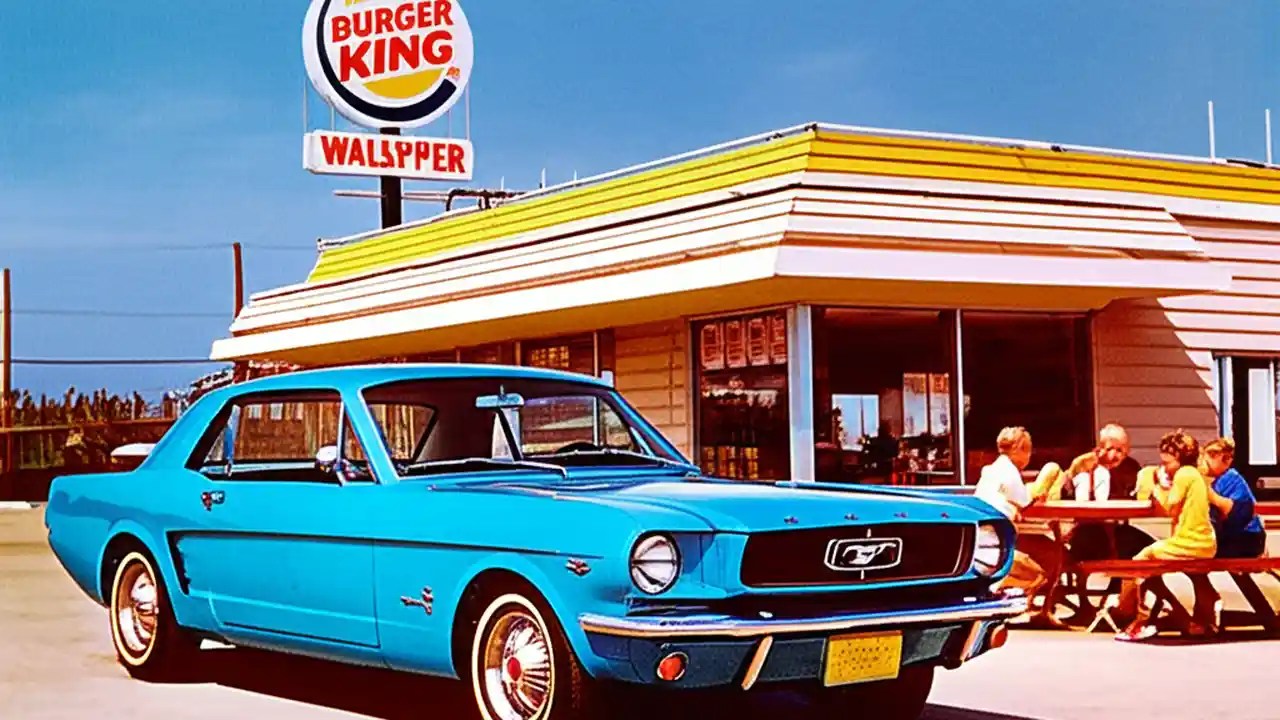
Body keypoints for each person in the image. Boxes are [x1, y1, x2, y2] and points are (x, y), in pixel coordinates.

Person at [1114, 430, 1217, 642]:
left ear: (1179, 460)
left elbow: (1170, 507)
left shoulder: (1184, 474)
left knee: (1138, 562)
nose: (1166, 467)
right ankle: (1201, 619)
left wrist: (1158, 485)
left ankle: (1135, 618)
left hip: (1190, 541)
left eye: (1168, 462)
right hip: (1204, 541)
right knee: (1193, 574)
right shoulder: (1195, 474)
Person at [974, 426, 1065, 626]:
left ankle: (1028, 604)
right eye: (1028, 450)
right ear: (1018, 449)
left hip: (988, 534)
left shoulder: (993, 469)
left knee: (1048, 549)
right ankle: (998, 590)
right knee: (1046, 561)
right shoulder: (1009, 472)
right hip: (997, 541)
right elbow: (1025, 503)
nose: (1029, 456)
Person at [1183, 437, 1267, 633]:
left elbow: (1237, 512)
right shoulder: (1210, 480)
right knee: (1189, 555)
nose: (1207, 460)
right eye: (1206, 454)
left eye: (1214, 456)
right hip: (1225, 536)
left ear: (1227, 460)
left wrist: (1208, 493)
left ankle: (1203, 611)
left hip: (1245, 538)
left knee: (1195, 557)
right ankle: (1205, 607)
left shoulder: (1232, 479)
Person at [1062, 423, 1158, 563]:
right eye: (1109, 449)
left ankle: (1126, 584)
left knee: (1151, 549)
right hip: (1088, 531)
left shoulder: (1130, 467)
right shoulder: (1085, 464)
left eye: (1120, 450)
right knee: (1131, 548)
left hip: (1118, 530)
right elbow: (1067, 493)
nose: (1114, 455)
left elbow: (1137, 495)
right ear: (1099, 448)